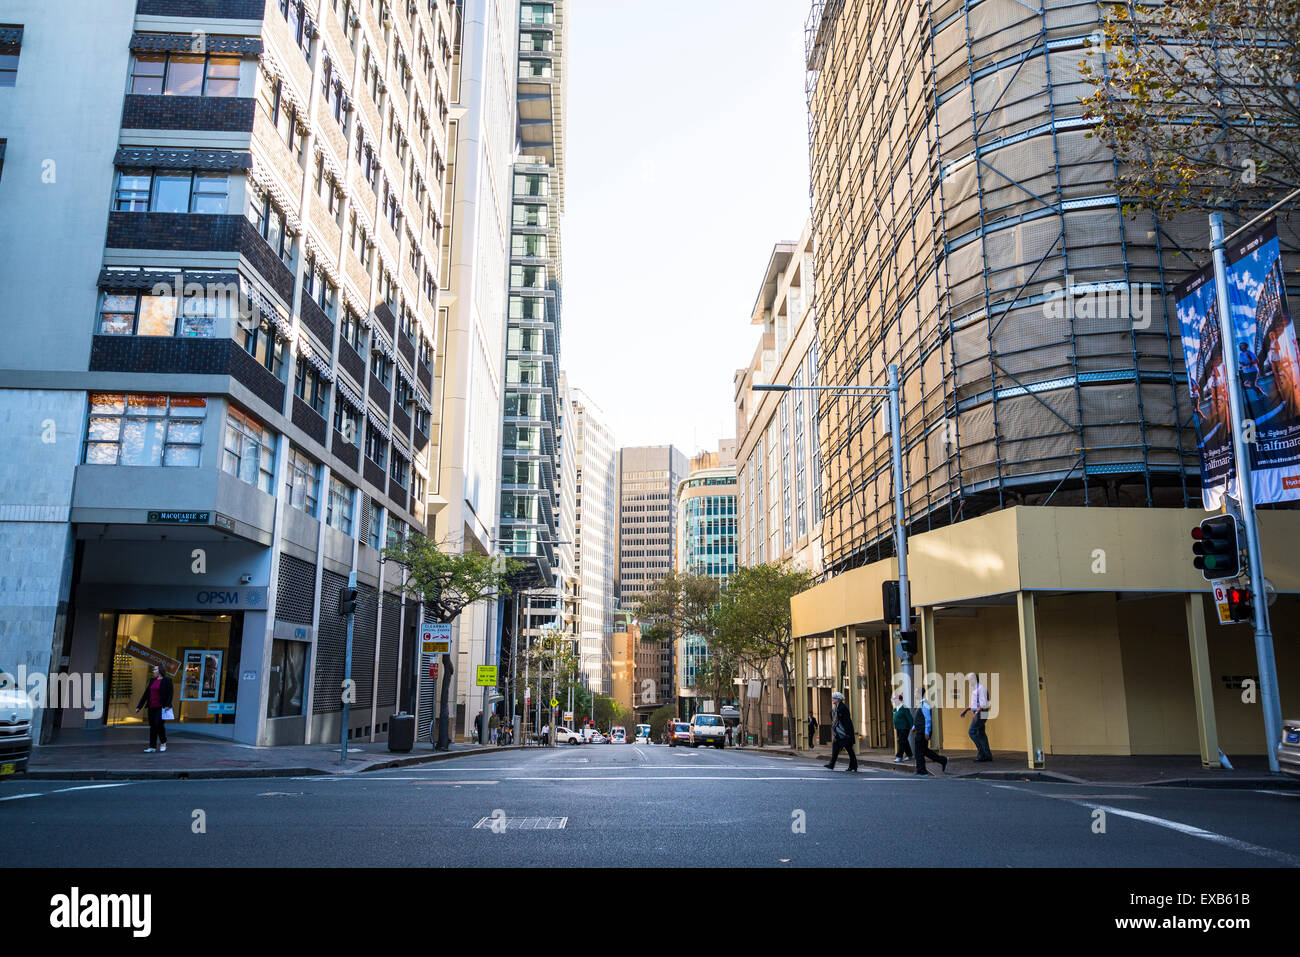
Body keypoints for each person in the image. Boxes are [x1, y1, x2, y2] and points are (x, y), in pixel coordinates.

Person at [134, 664, 173, 753]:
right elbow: (146, 694)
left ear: (160, 670)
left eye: (155, 669)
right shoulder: (152, 681)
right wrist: (139, 706)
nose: (153, 671)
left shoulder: (167, 680)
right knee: (152, 726)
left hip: (161, 707)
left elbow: (170, 694)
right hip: (151, 707)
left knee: (159, 724)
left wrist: (168, 705)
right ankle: (152, 746)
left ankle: (163, 742)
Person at [909, 692, 948, 775]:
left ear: (920, 694)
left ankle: (922, 771)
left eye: (916, 692)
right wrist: (913, 727)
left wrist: (927, 732)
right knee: (924, 751)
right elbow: (918, 718)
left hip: (922, 732)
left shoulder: (925, 705)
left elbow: (928, 719)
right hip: (919, 731)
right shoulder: (920, 704)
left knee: (918, 752)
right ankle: (943, 760)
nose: (915, 694)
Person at [961, 673, 993, 762]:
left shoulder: (981, 689)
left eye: (970, 679)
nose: (969, 681)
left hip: (981, 713)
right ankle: (987, 755)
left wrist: (976, 713)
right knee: (981, 733)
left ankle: (982, 753)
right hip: (980, 712)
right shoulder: (976, 689)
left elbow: (983, 704)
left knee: (972, 731)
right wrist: (967, 709)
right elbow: (976, 703)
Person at [823, 691, 857, 772]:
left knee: (849, 750)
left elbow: (846, 722)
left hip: (844, 733)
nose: (832, 699)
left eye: (834, 698)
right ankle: (832, 764)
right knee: (836, 749)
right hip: (839, 733)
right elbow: (833, 716)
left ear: (838, 699)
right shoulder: (836, 708)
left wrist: (848, 733)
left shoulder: (842, 708)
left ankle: (853, 766)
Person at [892, 693, 913, 763]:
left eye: (895, 700)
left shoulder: (904, 708)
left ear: (899, 700)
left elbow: (909, 718)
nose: (894, 701)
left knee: (901, 741)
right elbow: (895, 713)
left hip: (904, 727)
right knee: (904, 741)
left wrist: (912, 726)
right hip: (898, 727)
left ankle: (899, 756)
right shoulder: (896, 708)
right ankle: (910, 755)